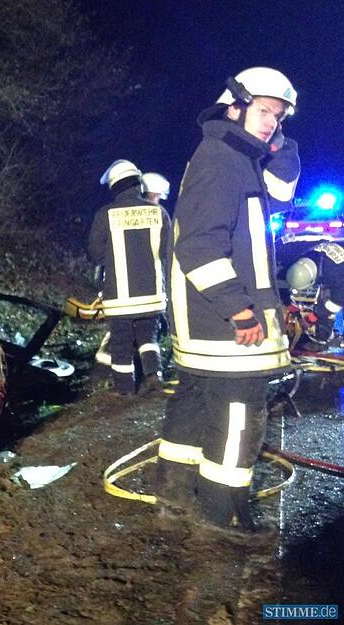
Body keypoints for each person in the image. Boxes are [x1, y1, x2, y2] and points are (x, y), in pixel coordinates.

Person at [156, 67, 299, 537]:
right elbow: (198, 245)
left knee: (195, 404)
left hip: (206, 320)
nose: (270, 124)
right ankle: (221, 514)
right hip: (226, 322)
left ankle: (173, 497)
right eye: (263, 112)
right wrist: (238, 308)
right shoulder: (221, 159)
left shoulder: (236, 158)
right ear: (234, 105)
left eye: (277, 118)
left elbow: (281, 194)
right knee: (240, 414)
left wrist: (281, 147)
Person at [87, 160, 170, 395]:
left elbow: (94, 253)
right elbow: (168, 251)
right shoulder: (159, 212)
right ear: (137, 182)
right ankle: (154, 377)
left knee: (121, 343)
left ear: (114, 187)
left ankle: (124, 390)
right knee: (148, 338)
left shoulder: (105, 215)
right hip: (153, 296)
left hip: (120, 299)